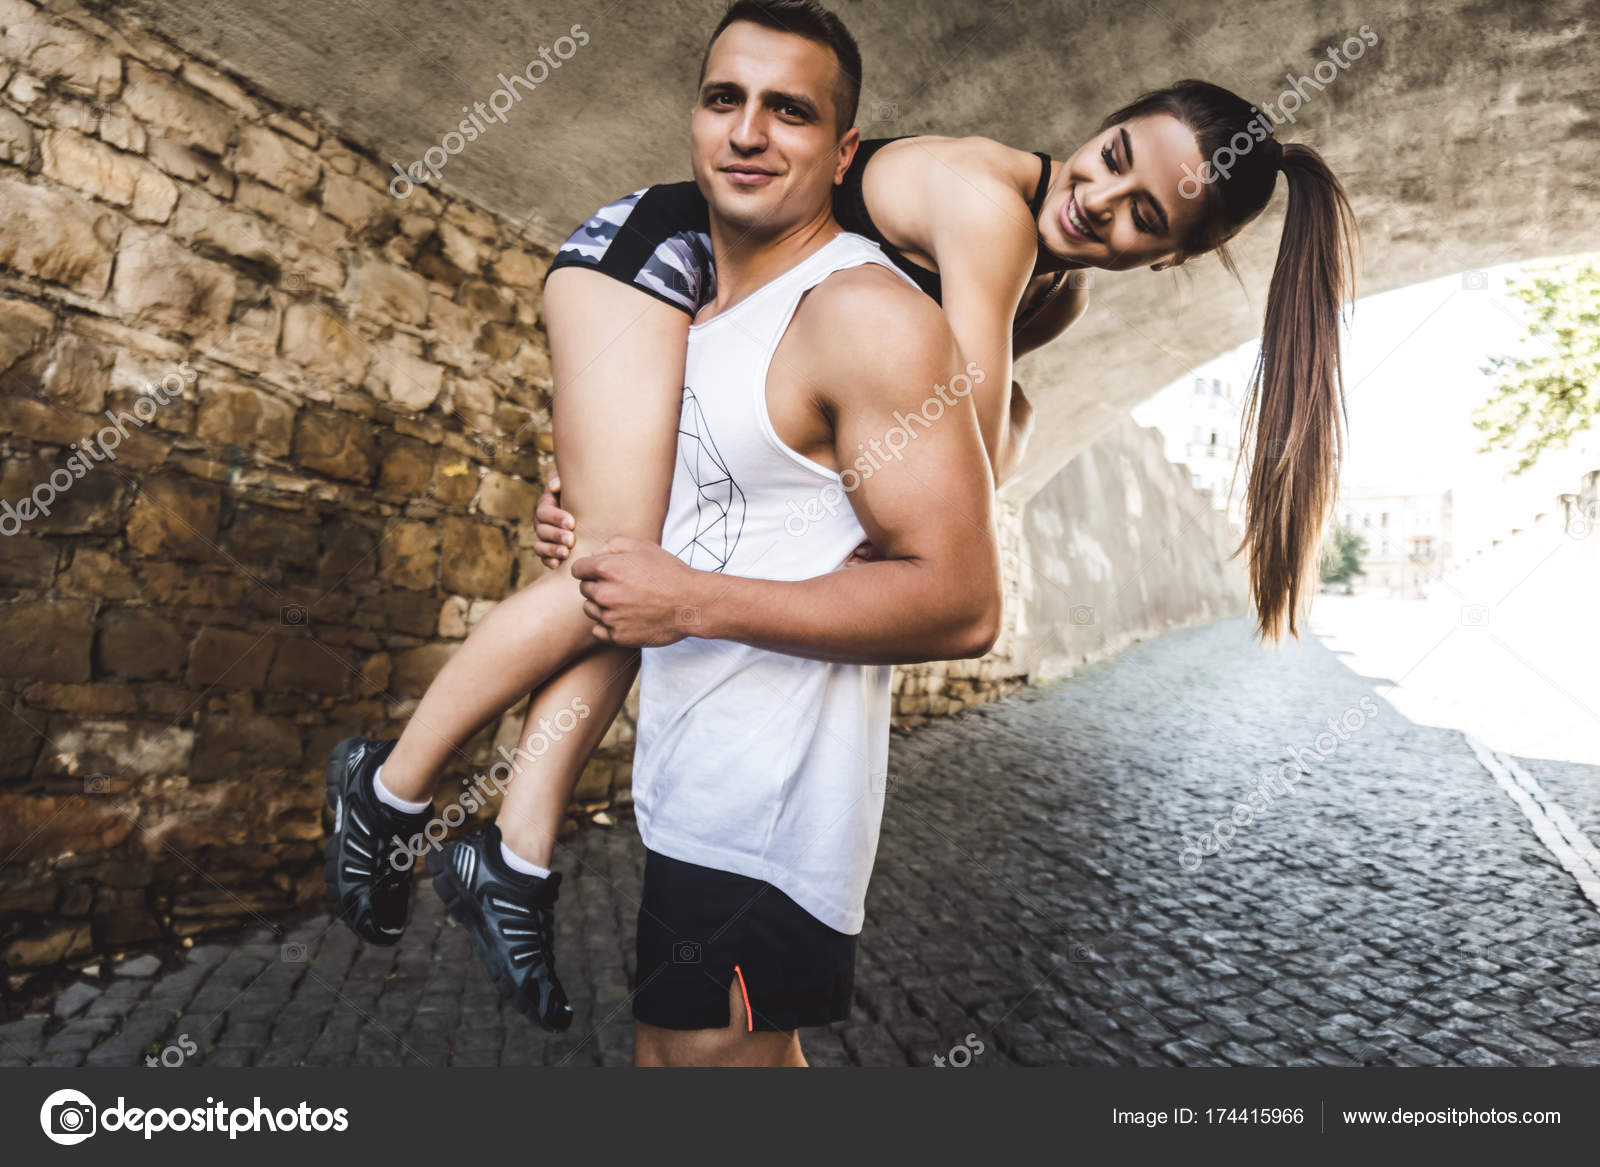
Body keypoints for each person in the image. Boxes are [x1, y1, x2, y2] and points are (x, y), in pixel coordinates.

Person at [325, 0, 1359, 1032]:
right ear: (1099, 125)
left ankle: (512, 855)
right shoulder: (991, 210)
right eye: (1111, 157)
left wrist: (656, 459)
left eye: (1144, 216)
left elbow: (937, 436)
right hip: (658, 254)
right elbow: (966, 426)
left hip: (729, 311)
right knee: (616, 560)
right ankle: (392, 787)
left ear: (1170, 259)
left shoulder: (1060, 292)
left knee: (637, 566)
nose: (1097, 199)